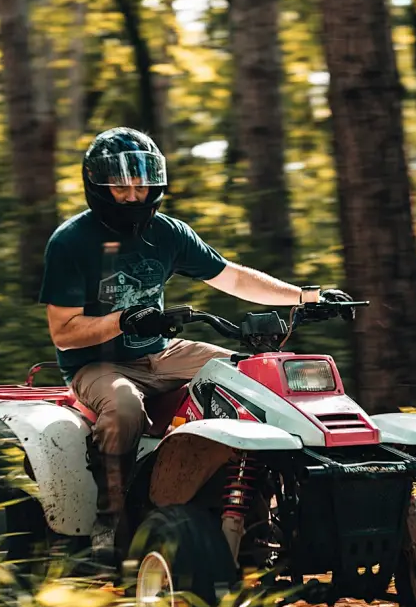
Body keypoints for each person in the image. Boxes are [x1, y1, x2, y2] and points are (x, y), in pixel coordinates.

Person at [39, 126, 352, 569]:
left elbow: (234, 277)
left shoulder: (168, 233)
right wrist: (121, 320)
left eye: (141, 183)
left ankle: (257, 511)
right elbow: (64, 332)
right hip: (97, 363)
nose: (133, 194)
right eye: (121, 185)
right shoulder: (71, 242)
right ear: (97, 185)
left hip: (160, 352)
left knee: (252, 380)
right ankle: (109, 524)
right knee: (125, 409)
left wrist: (307, 296)